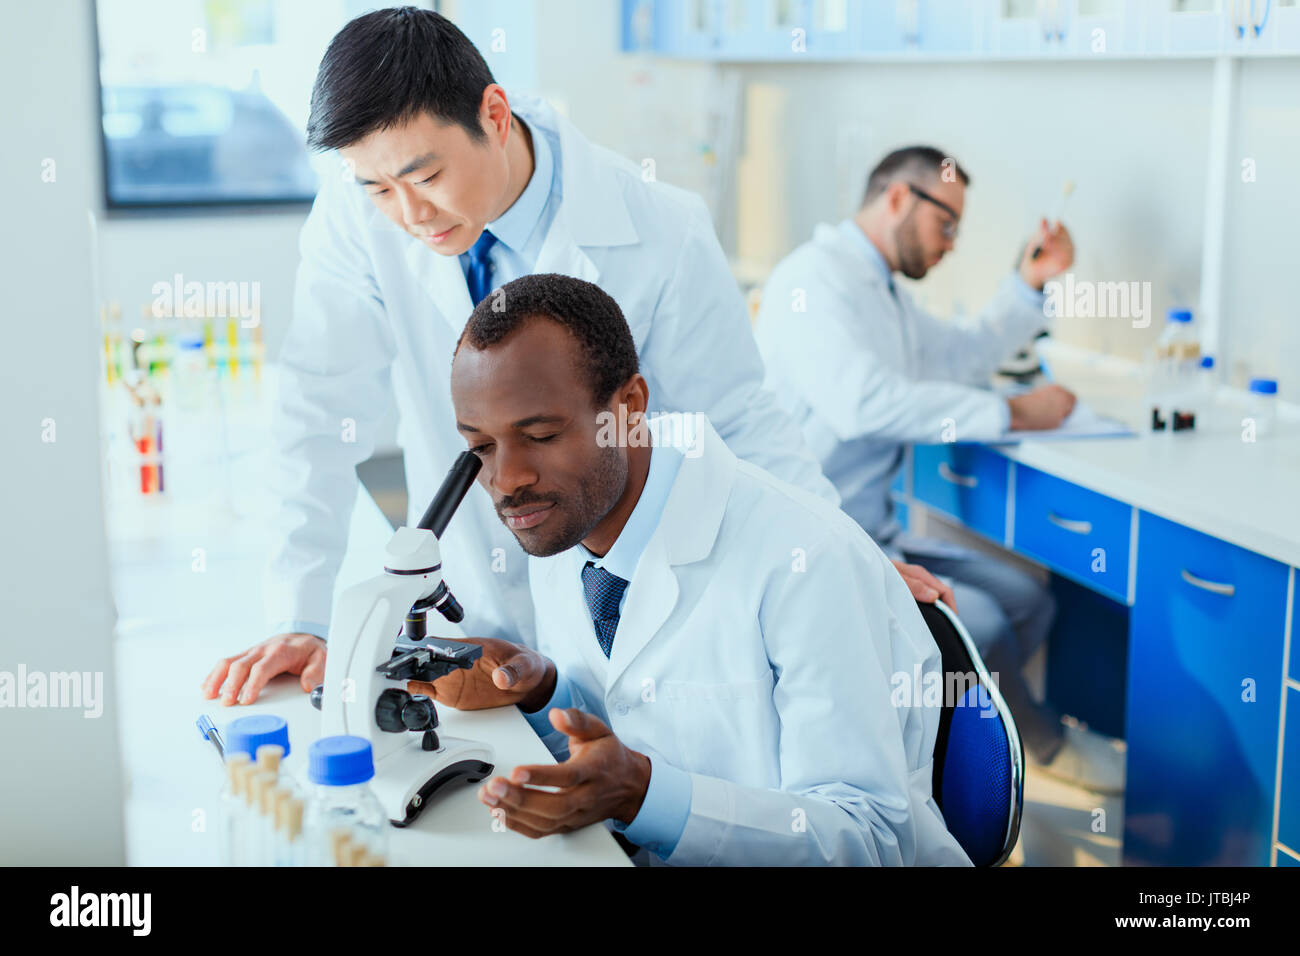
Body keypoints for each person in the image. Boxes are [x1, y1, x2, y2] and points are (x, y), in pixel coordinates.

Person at [200, 7, 840, 707]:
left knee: (617, 792)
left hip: (629, 612)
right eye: (380, 189)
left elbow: (737, 420)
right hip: (468, 607)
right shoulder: (356, 220)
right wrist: (300, 614)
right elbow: (318, 408)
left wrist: (839, 559)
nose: (409, 214)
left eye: (427, 175)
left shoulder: (658, 229)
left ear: (496, 116)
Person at [409, 273, 970, 865]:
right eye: (480, 446)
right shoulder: (560, 524)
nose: (506, 479)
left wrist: (643, 795)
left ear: (627, 409)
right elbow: (628, 717)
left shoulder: (805, 559)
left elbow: (871, 837)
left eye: (541, 435)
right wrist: (543, 692)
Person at [753, 145, 1123, 794]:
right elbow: (864, 403)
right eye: (946, 223)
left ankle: (977, 750)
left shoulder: (882, 293)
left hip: (875, 531)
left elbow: (959, 354)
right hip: (821, 546)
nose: (951, 244)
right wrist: (1016, 412)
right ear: (898, 198)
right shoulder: (812, 281)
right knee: (978, 624)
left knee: (1028, 600)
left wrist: (1029, 283)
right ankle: (1023, 754)